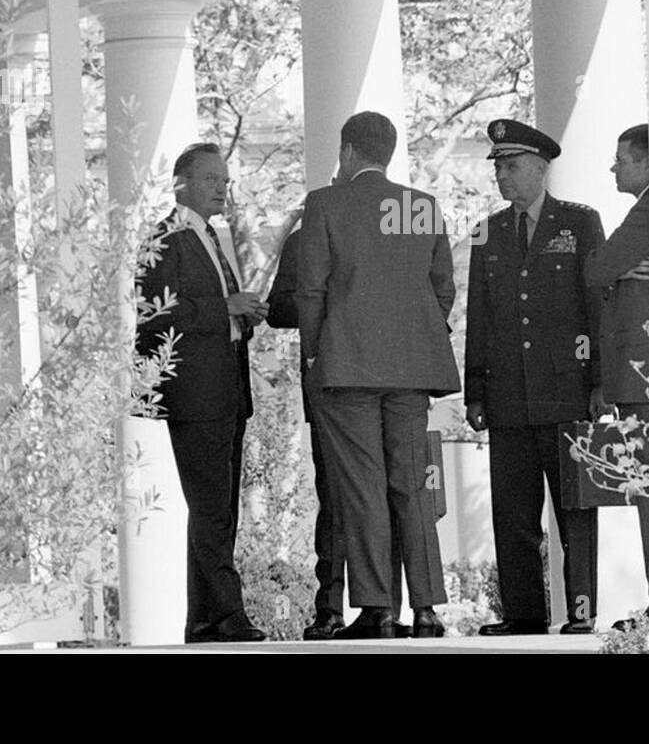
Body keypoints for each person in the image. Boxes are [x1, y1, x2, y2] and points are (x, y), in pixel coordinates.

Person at [296, 111, 461, 640]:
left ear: (347, 153)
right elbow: (443, 290)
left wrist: (316, 351)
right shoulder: (422, 206)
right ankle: (428, 607)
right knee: (411, 486)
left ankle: (375, 608)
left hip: (347, 367)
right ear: (387, 152)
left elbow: (312, 291)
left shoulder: (325, 204)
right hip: (411, 370)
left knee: (363, 488)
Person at [465, 119, 607, 636]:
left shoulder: (579, 223)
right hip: (507, 395)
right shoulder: (489, 231)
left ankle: (582, 612)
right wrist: (475, 389)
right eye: (498, 167)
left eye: (512, 165)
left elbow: (596, 304)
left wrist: (600, 382)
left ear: (541, 168)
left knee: (575, 508)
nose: (502, 175)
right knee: (513, 514)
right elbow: (478, 314)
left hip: (566, 392)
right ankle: (523, 614)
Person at [135, 142, 268, 643]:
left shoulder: (214, 238)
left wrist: (244, 314)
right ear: (181, 183)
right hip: (194, 394)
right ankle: (230, 613)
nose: (222, 188)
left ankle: (203, 618)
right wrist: (225, 307)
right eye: (212, 179)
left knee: (218, 507)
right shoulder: (165, 239)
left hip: (228, 389)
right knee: (211, 505)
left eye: (225, 180)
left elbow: (218, 308)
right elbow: (156, 315)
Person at [266, 222, 407, 640]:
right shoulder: (304, 239)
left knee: (390, 496)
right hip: (328, 389)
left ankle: (386, 609)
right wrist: (331, 302)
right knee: (335, 502)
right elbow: (278, 309)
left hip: (388, 386)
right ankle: (328, 607)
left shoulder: (393, 234)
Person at [586, 123, 649, 630]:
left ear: (647, 162)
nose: (613, 167)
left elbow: (596, 268)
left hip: (646, 378)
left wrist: (620, 268)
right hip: (647, 378)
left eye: (622, 159)